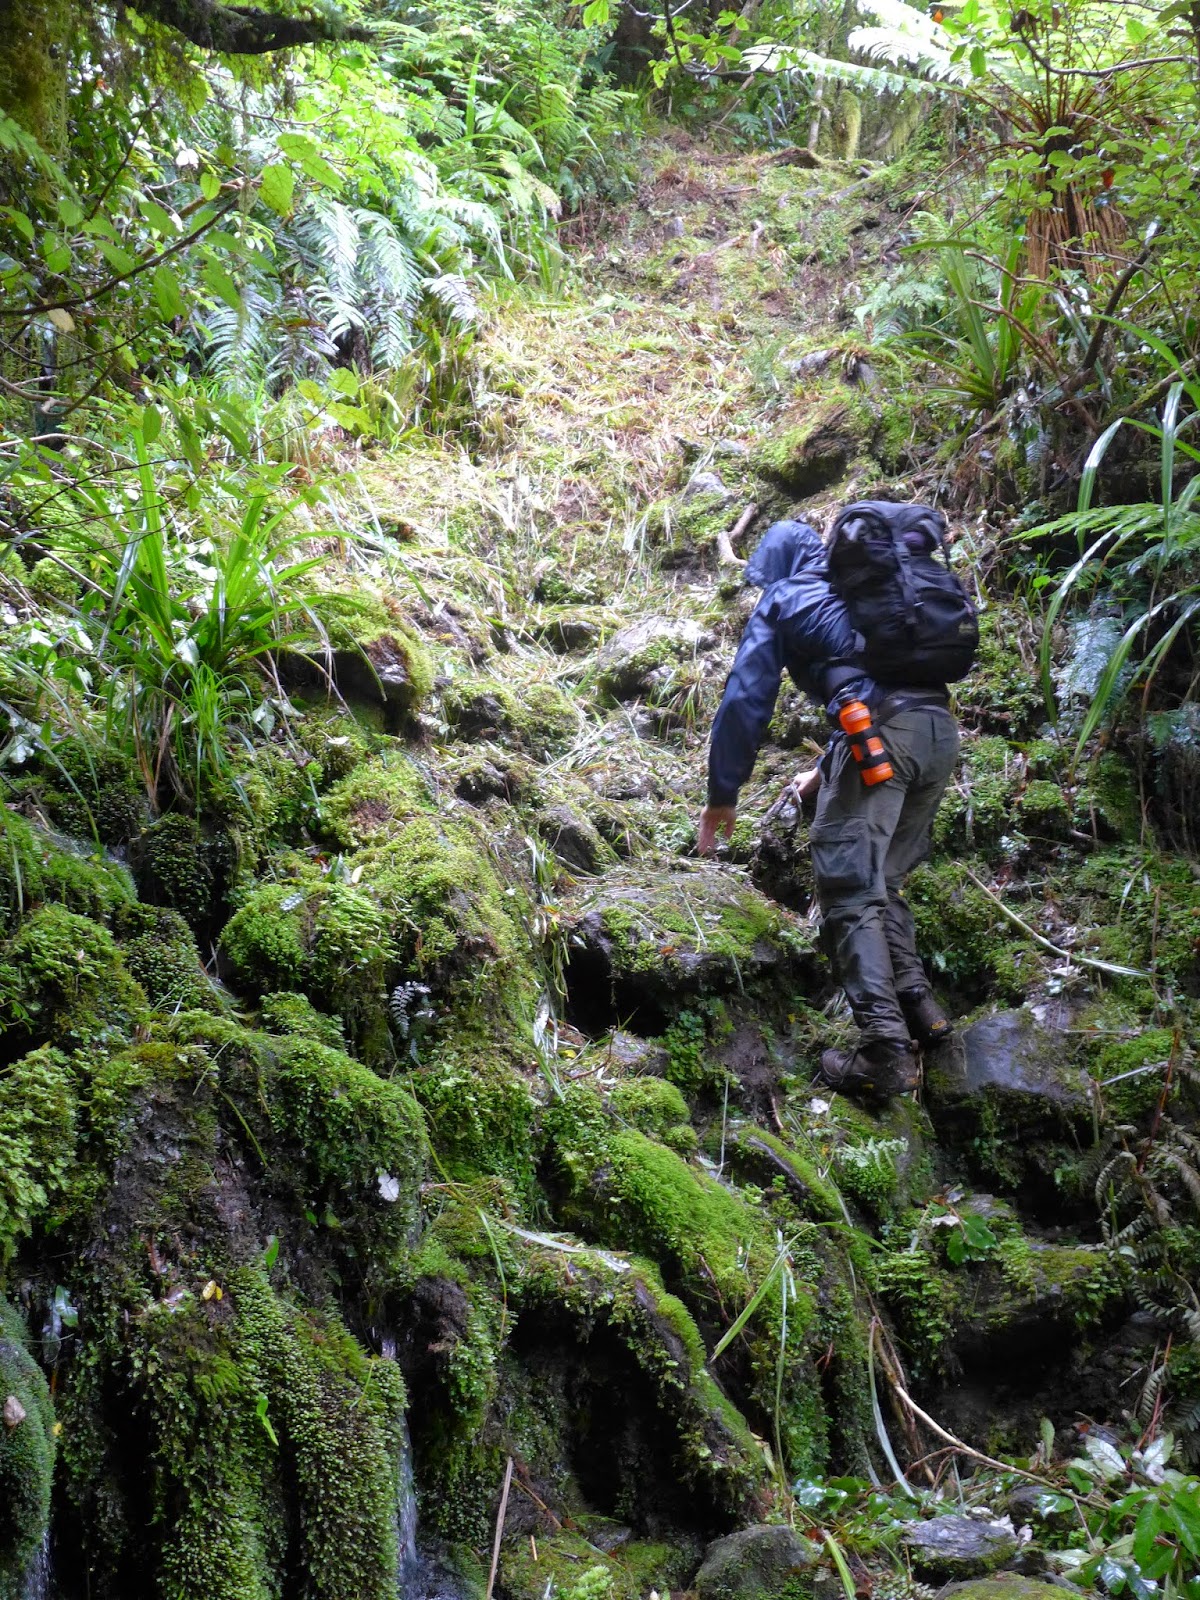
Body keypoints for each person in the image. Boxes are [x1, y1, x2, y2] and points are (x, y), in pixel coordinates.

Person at [697, 512, 961, 1101]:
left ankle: (884, 1051)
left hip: (879, 740)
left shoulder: (787, 596)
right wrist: (824, 769)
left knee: (848, 886)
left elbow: (746, 699)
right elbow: (868, 678)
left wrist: (722, 796)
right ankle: (923, 1012)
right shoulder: (862, 591)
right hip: (937, 733)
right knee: (884, 880)